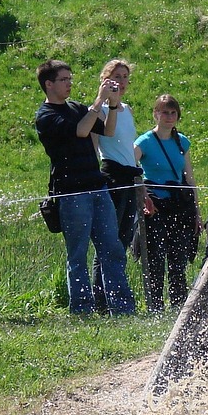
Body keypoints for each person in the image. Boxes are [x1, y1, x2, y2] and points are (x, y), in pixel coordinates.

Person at [33, 59, 136, 316]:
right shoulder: (46, 116)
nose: (69, 83)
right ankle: (82, 309)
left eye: (70, 78)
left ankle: (121, 308)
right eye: (64, 79)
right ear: (49, 84)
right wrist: (99, 101)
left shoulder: (77, 107)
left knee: (112, 249)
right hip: (71, 192)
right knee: (77, 254)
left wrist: (112, 105)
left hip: (97, 187)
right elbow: (80, 132)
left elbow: (108, 131)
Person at [134, 94, 198, 312]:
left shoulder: (182, 141)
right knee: (155, 258)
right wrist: (143, 196)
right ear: (155, 114)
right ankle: (155, 306)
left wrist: (196, 210)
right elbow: (130, 170)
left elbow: (189, 177)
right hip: (155, 207)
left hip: (179, 205)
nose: (169, 116)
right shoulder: (143, 142)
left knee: (178, 257)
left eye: (173, 112)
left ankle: (179, 305)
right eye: (164, 112)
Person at [92, 58, 143, 311]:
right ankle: (100, 300)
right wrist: (103, 100)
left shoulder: (128, 108)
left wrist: (141, 183)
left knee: (122, 239)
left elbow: (129, 147)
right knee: (107, 241)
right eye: (116, 77)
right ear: (106, 79)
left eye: (124, 77)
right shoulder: (100, 109)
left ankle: (114, 296)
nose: (121, 82)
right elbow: (97, 145)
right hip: (112, 175)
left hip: (130, 176)